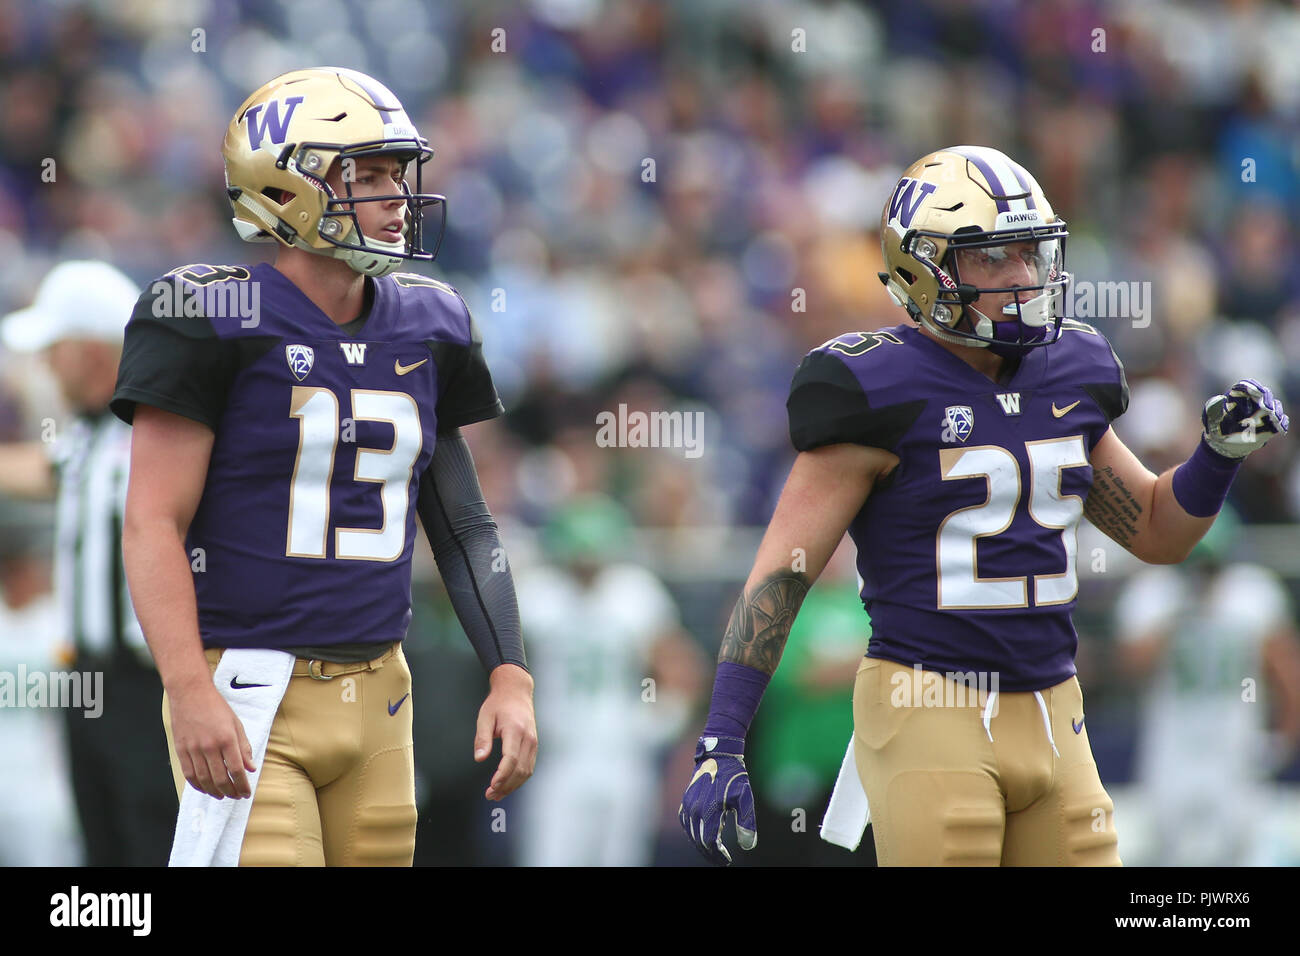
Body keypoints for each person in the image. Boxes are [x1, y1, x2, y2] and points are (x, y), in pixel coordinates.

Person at [679, 145, 1289, 866]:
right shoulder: (871, 387)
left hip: (1056, 710)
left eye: (1030, 254)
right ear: (923, 270)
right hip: (929, 706)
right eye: (993, 259)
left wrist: (1216, 458)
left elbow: (1158, 532)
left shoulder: (1074, 369)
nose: (1023, 277)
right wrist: (722, 737)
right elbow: (781, 579)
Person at [110, 67, 536, 866]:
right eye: (366, 176)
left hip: (381, 694)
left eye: (396, 175)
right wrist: (188, 688)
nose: (395, 198)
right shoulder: (212, 314)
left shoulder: (431, 324)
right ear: (286, 189)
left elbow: (464, 524)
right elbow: (151, 522)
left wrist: (510, 673)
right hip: (248, 691)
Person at [0, 260, 176, 865]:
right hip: (86, 684)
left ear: (92, 350)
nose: (45, 365)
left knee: (151, 841)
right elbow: (35, 469)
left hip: (147, 685)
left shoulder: (160, 433)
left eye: (55, 348)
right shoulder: (87, 438)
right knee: (101, 850)